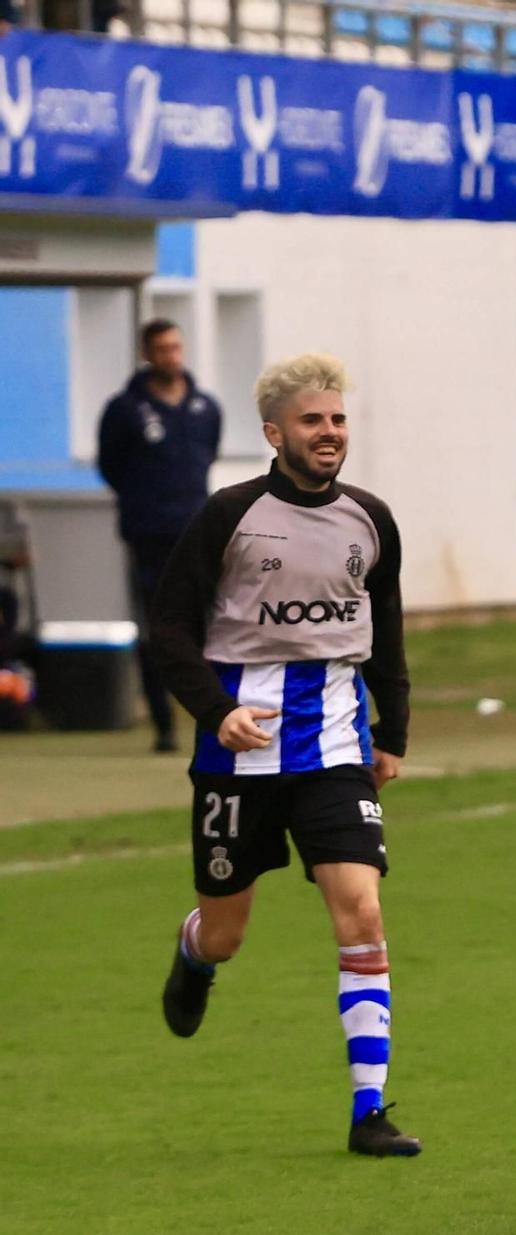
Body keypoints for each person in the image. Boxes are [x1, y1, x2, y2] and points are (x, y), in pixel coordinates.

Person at [148, 353, 419, 1158]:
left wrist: (393, 732)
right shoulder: (229, 515)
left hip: (334, 749)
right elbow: (169, 628)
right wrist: (217, 711)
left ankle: (369, 1109)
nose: (329, 432)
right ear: (274, 433)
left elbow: (386, 630)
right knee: (227, 933)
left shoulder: (371, 518)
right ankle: (195, 953)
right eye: (312, 420)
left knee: (362, 911)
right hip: (239, 754)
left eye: (337, 418)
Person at [97, 319, 223, 754]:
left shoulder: (206, 407)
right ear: (147, 354)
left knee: (209, 627)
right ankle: (163, 723)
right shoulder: (125, 410)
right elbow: (111, 466)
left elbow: (208, 456)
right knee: (157, 629)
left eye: (176, 347)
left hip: (197, 534)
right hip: (148, 536)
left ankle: (215, 717)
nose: (171, 356)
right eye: (162, 349)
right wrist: (145, 504)